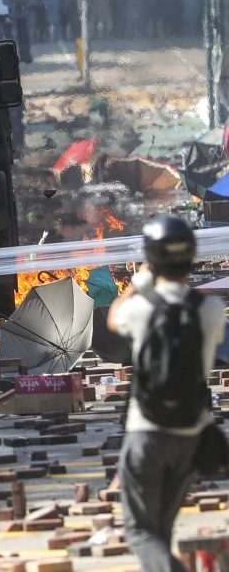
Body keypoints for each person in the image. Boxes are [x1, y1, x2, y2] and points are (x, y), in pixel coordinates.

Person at [108, 216, 224, 572]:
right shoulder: (211, 310)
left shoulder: (140, 309)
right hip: (191, 433)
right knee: (162, 529)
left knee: (141, 532)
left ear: (152, 258)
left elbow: (113, 319)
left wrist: (141, 279)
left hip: (147, 432)